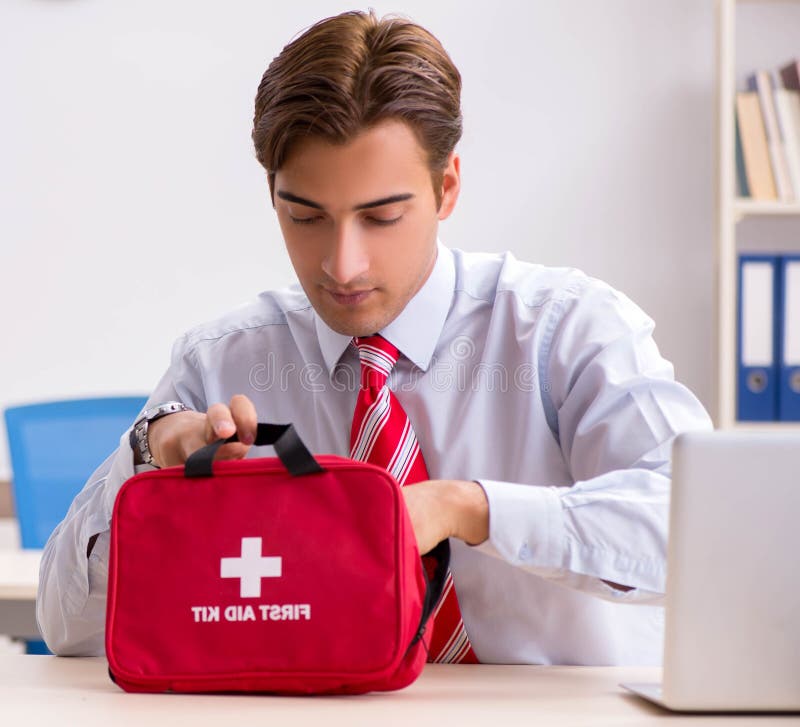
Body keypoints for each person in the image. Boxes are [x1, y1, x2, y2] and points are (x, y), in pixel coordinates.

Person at [37, 9, 712, 664]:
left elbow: (704, 533)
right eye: (305, 216)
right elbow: (65, 625)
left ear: (447, 186)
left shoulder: (564, 331)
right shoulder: (223, 362)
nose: (342, 264)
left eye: (381, 216)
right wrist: (149, 453)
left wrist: (469, 507)